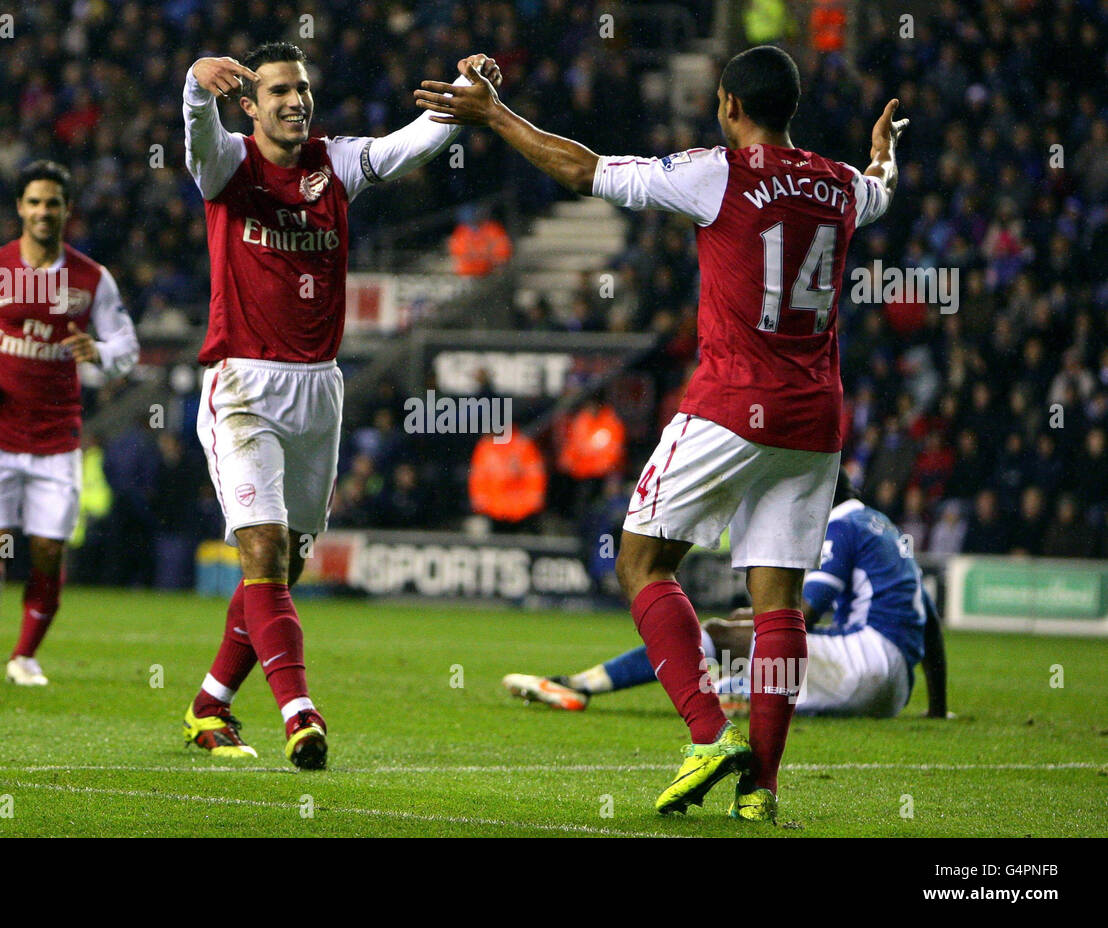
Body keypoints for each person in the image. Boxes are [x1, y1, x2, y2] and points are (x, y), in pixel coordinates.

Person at [417, 45, 905, 822]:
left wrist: (493, 114)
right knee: (777, 603)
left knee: (642, 562)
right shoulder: (841, 183)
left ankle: (710, 733)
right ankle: (761, 791)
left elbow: (583, 172)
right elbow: (880, 189)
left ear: (730, 107)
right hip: (815, 417)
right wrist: (884, 155)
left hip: (731, 401)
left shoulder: (717, 172)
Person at [180, 42, 503, 769]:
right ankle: (301, 713)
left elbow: (408, 147)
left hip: (319, 389)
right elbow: (197, 133)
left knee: (285, 566)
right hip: (243, 387)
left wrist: (464, 86)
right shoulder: (228, 164)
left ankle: (208, 705)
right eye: (278, 92)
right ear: (249, 105)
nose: (295, 102)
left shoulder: (338, 162)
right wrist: (195, 88)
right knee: (260, 550)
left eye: (301, 89)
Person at [505, 470, 949, 719]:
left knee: (729, 632)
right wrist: (937, 709)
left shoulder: (841, 526)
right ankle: (739, 688)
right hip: (895, 690)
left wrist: (759, 621)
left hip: (863, 665)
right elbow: (928, 620)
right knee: (748, 634)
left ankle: (585, 685)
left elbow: (803, 613)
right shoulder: (882, 527)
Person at [0, 160, 140, 686]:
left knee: (49, 548)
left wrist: (99, 351)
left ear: (67, 209)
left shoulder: (92, 279)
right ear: (19, 208)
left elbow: (127, 345)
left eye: (53, 202)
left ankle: (24, 655)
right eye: (35, 202)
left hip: (56, 433)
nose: (43, 211)